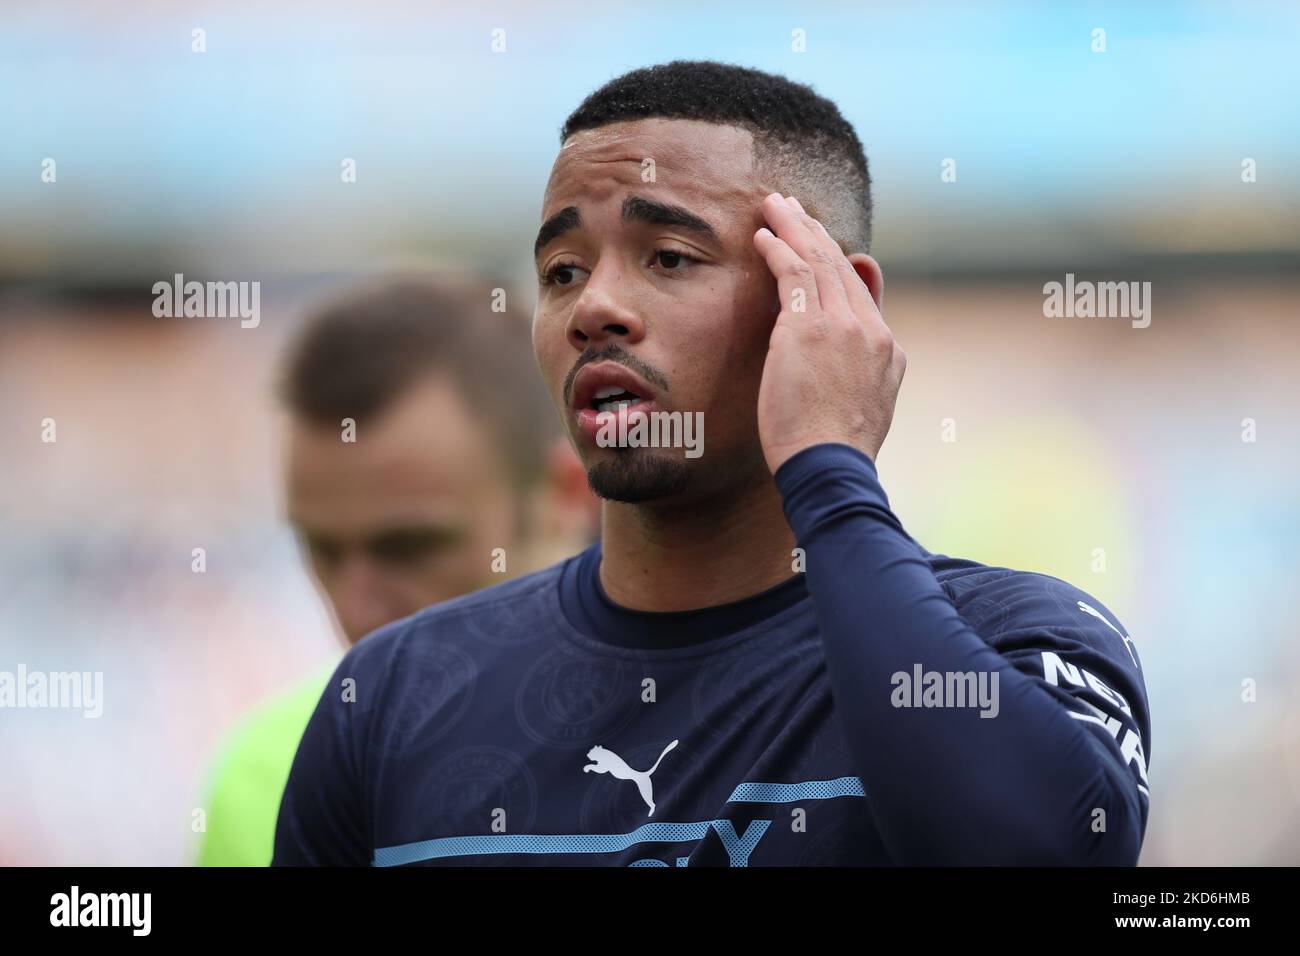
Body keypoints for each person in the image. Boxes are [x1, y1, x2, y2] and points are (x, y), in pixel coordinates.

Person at [273, 62, 1151, 866]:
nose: (596, 308)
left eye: (670, 258)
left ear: (831, 304)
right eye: (563, 270)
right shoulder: (392, 696)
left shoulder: (1025, 642)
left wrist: (830, 463)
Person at [196, 276, 594, 866]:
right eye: (322, 550)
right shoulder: (264, 774)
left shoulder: (709, 727)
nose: (356, 607)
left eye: (409, 547)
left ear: (565, 497)